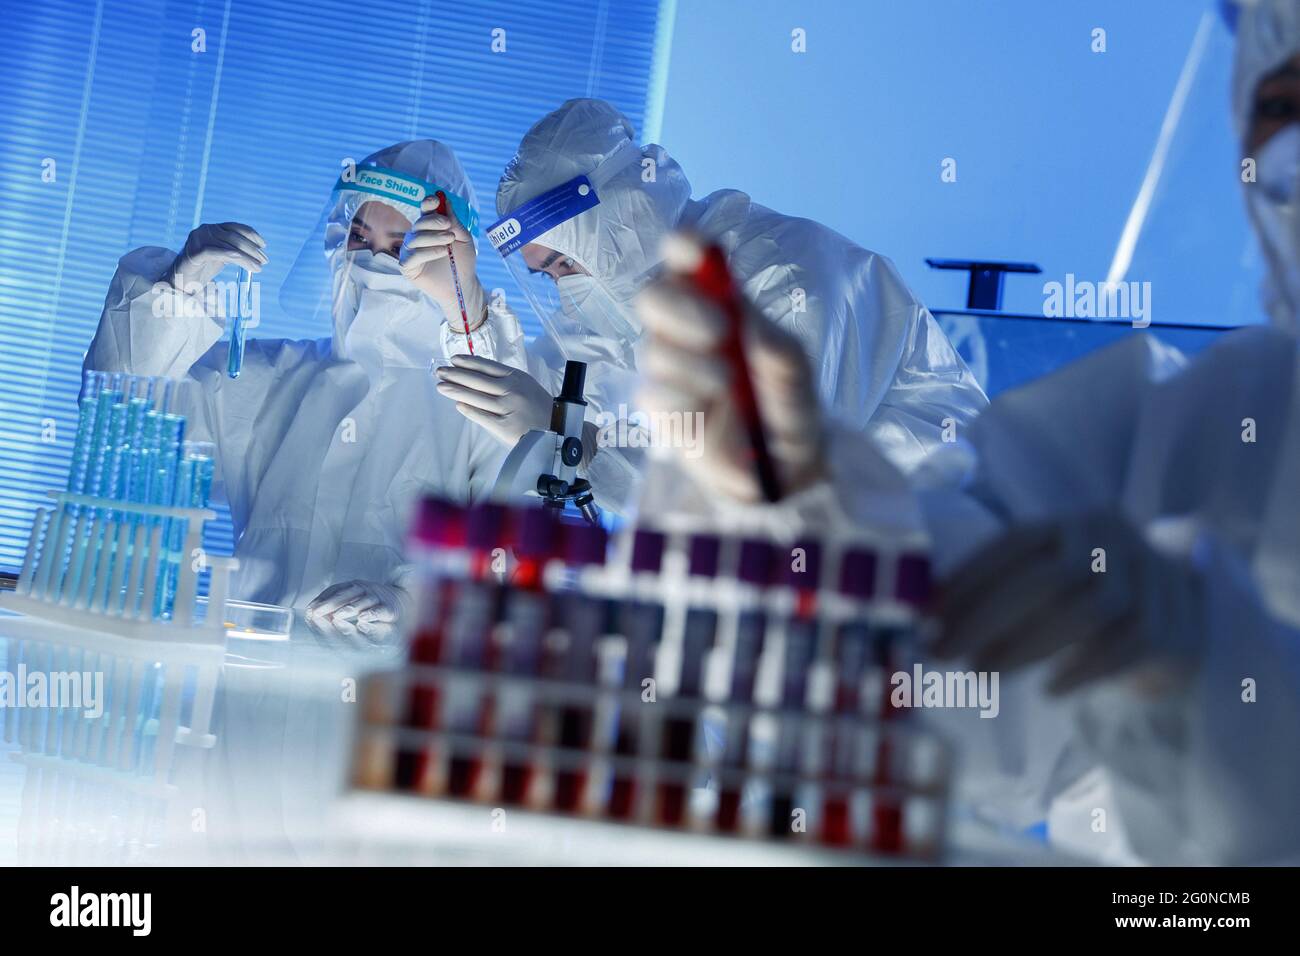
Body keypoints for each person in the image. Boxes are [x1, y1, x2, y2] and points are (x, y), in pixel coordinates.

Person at [631, 0, 1300, 864]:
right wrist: (796, 505)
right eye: (1280, 105)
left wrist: (1225, 680)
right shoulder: (1184, 432)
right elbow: (940, 688)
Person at [431, 98, 988, 513]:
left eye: (563, 265)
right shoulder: (634, 310)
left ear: (617, 223)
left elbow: (772, 496)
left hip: (948, 564)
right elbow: (540, 391)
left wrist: (577, 447)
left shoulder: (782, 281)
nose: (562, 291)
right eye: (546, 275)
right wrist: (462, 303)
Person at [85, 140, 524, 641]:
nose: (374, 260)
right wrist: (172, 296)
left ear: (446, 260)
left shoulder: (474, 403)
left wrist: (414, 600)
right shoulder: (269, 375)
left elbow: (509, 549)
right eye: (359, 237)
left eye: (402, 245)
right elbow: (123, 433)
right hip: (247, 692)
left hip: (385, 700)